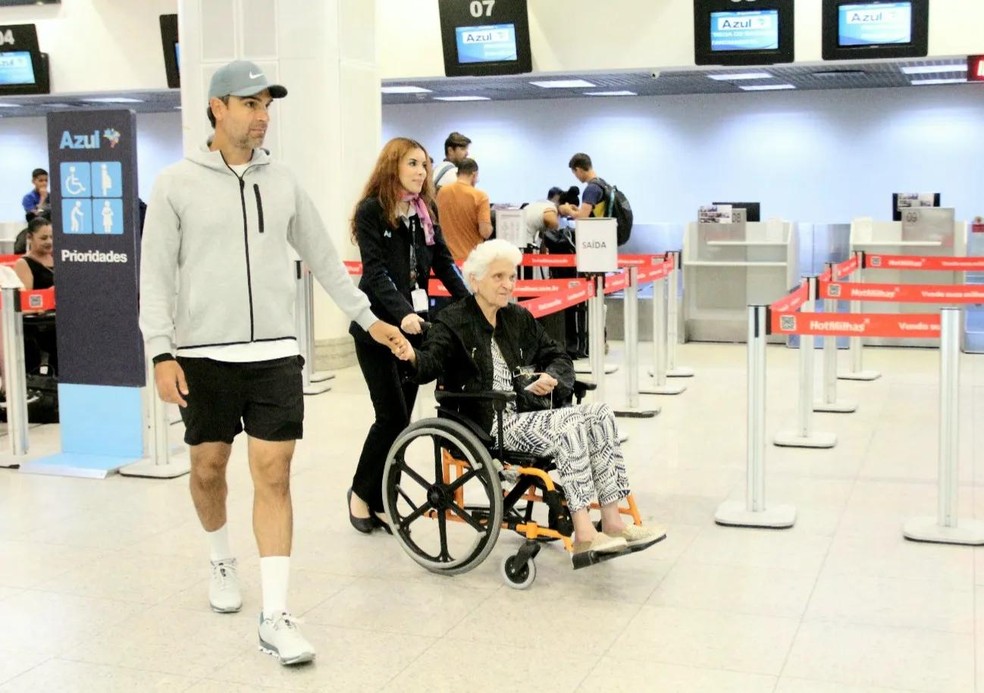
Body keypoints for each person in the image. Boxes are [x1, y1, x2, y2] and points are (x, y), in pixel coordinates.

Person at [138, 59, 411, 667]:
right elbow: (154, 277)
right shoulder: (175, 184)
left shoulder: (282, 181)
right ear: (217, 107)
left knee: (275, 474)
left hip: (274, 355)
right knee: (209, 469)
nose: (262, 116)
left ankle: (276, 614)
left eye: (267, 104)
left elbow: (326, 259)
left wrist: (371, 321)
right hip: (203, 355)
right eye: (250, 103)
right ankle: (219, 558)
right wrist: (161, 350)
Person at [405, 239, 666, 557]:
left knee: (599, 413)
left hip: (524, 414)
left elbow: (557, 353)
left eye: (511, 277)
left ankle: (611, 521)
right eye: (498, 277)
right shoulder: (453, 321)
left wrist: (551, 376)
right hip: (487, 425)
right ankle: (584, 531)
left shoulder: (515, 317)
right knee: (569, 420)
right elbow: (429, 364)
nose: (507, 285)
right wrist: (411, 355)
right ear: (474, 280)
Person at [348, 137, 470, 533]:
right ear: (393, 166)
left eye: (425, 165)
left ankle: (385, 497)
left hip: (415, 329)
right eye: (413, 163)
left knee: (401, 425)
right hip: (378, 328)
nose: (421, 171)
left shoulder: (425, 211)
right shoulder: (373, 211)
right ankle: (360, 494)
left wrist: (474, 306)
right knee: (391, 416)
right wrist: (402, 313)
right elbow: (375, 274)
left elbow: (444, 263)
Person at [435, 157, 492, 262]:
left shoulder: (442, 192)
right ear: (474, 175)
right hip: (471, 259)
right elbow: (485, 232)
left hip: (446, 258)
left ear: (458, 173)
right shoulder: (480, 196)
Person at [562, 153, 607, 220]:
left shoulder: (592, 189)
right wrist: (577, 211)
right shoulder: (602, 183)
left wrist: (568, 210)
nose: (576, 177)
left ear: (578, 170)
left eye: (574, 173)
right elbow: (594, 214)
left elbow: (582, 217)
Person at [13, 217, 54, 291]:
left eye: (51, 237)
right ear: (29, 237)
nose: (49, 242)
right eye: (43, 238)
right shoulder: (23, 263)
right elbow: (25, 296)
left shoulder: (58, 258)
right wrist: (50, 292)